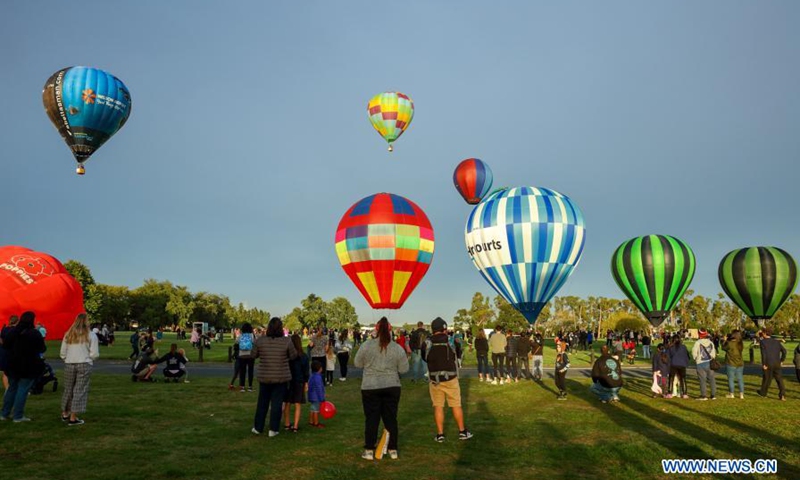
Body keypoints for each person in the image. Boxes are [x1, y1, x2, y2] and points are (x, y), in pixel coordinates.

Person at [354, 317, 409, 460]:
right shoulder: (397, 348)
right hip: (392, 385)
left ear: (376, 329)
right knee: (391, 418)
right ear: (390, 329)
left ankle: (369, 450)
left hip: (370, 386)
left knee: (372, 418)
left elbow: (357, 363)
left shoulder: (366, 345)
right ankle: (392, 449)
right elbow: (404, 369)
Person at [420, 317, 473, 443]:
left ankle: (440, 434)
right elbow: (459, 354)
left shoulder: (427, 342)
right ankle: (462, 432)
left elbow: (424, 357)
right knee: (456, 405)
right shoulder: (451, 340)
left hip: (434, 379)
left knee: (438, 406)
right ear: (444, 329)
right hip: (451, 378)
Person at [251, 317, 297, 437]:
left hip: (264, 376)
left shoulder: (260, 341)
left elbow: (253, 355)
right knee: (277, 403)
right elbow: (293, 356)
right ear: (281, 328)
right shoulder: (286, 341)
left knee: (262, 403)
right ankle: (273, 429)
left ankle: (258, 427)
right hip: (280, 376)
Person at [1, 311, 46, 422]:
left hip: (12, 364)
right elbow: (42, 348)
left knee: (12, 388)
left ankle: (4, 413)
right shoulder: (34, 333)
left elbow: (5, 345)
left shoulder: (13, 332)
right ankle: (18, 415)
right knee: (22, 390)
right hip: (28, 365)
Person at [59, 313, 99, 425]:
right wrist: (90, 359)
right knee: (79, 390)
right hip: (84, 363)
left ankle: (65, 412)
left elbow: (63, 351)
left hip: (70, 363)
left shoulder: (68, 334)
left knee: (68, 388)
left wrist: (67, 359)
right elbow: (94, 353)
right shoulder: (91, 335)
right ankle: (73, 417)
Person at [283, 334, 309, 432]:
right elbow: (306, 371)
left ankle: (286, 423)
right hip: (299, 381)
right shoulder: (304, 356)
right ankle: (296, 426)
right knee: (298, 404)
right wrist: (306, 382)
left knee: (287, 403)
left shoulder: (288, 356)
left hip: (289, 380)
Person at [758, 328, 787, 401]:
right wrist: (781, 360)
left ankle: (763, 393)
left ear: (765, 333)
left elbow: (763, 354)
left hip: (768, 363)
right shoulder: (776, 341)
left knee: (767, 378)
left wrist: (764, 364)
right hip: (777, 363)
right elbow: (784, 351)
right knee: (779, 380)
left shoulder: (763, 342)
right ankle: (782, 395)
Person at [722, 330, 744, 399]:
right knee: (740, 379)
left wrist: (724, 340)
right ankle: (741, 394)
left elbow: (723, 348)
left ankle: (731, 394)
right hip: (740, 363)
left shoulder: (729, 343)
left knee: (731, 379)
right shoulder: (740, 343)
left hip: (731, 363)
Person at [1, 315, 20, 390]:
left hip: (4, 352)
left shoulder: (4, 329)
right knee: (16, 371)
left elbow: (1, 341)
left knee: (6, 372)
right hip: (14, 353)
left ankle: (7, 389)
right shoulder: (17, 330)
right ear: (17, 321)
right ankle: (16, 388)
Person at [237, 323, 256, 392]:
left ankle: (242, 387)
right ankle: (250, 387)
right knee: (250, 371)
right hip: (250, 355)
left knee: (243, 371)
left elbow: (237, 342)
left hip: (242, 355)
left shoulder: (241, 335)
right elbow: (254, 342)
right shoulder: (251, 335)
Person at [308, 360, 326, 428]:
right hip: (316, 397)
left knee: (312, 409)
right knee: (316, 410)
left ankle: (311, 421)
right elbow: (319, 389)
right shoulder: (318, 377)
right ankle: (316, 423)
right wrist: (322, 398)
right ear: (319, 368)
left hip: (312, 396)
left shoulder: (312, 376)